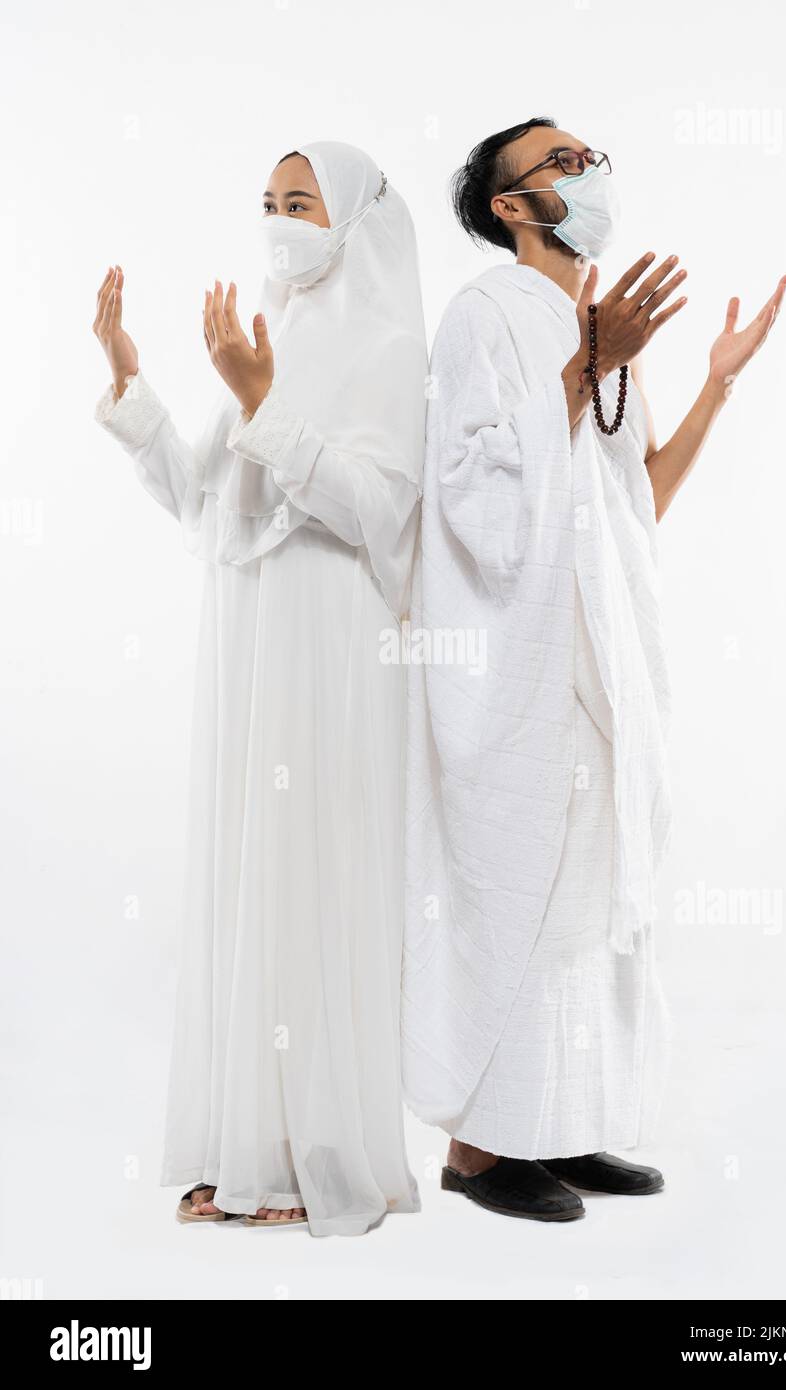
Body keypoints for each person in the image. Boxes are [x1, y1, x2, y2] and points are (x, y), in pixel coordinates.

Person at [403, 117, 786, 1221]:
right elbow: (471, 496)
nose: (588, 170)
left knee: (585, 904)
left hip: (604, 660)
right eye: (558, 163)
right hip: (521, 663)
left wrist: (712, 380)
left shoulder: (593, 325)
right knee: (514, 892)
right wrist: (591, 362)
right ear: (511, 207)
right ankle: (477, 1155)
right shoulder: (483, 317)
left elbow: (637, 501)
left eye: (587, 153)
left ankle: (560, 1130)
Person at [93, 141, 427, 1236]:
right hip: (247, 635)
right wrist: (131, 379)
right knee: (252, 871)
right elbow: (200, 497)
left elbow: (381, 515)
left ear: (351, 220)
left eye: (301, 201)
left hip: (328, 636)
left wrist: (263, 400)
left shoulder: (386, 346)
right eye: (270, 202)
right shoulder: (271, 332)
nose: (280, 220)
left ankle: (316, 1152)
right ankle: (247, 1144)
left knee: (316, 869)